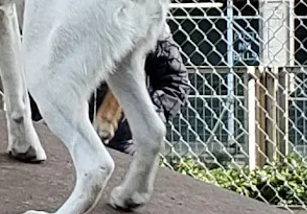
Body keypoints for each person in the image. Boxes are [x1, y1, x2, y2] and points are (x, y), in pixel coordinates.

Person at [28, 26, 190, 155]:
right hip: (62, 140)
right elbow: (37, 78)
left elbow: (176, 83)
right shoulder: (61, 18)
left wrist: (143, 115)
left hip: (124, 145)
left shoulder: (147, 19)